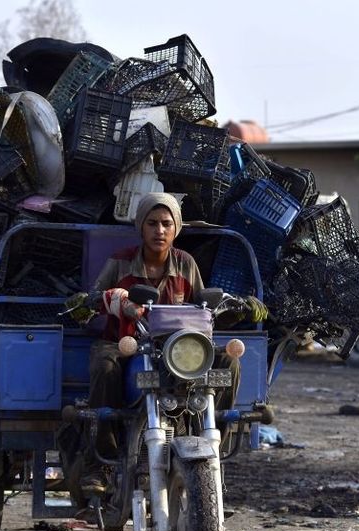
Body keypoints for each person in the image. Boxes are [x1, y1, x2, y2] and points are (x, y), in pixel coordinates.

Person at [66, 192, 268, 494]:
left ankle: (212, 450)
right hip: (124, 343)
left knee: (229, 361)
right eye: (152, 223)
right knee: (105, 366)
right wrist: (105, 301)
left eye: (166, 224)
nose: (159, 230)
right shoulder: (120, 262)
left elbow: (203, 309)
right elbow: (94, 300)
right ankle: (100, 464)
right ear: (141, 227)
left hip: (176, 349)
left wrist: (238, 307)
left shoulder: (186, 263)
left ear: (176, 229)